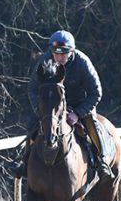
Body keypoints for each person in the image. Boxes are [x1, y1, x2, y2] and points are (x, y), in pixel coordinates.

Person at [12, 30, 115, 182]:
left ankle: (102, 161)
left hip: (80, 104)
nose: (59, 58)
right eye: (56, 53)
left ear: (71, 51)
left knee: (92, 123)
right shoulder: (44, 61)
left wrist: (77, 114)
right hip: (54, 106)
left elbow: (96, 92)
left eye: (64, 54)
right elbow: (32, 89)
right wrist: (39, 110)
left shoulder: (82, 62)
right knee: (33, 123)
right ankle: (25, 160)